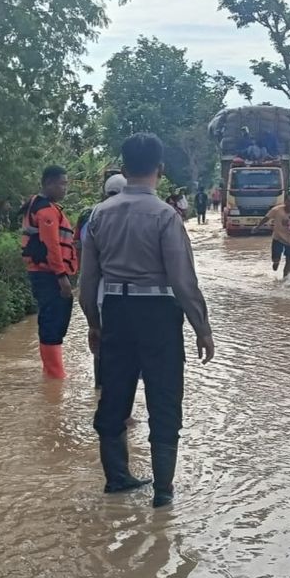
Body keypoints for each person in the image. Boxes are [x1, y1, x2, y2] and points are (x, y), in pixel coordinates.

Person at [80, 133, 215, 507]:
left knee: (114, 397)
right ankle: (163, 491)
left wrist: (94, 322)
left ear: (123, 168)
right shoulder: (165, 217)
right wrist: (202, 327)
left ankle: (117, 479)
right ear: (160, 170)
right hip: (159, 317)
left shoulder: (97, 216)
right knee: (164, 398)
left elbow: (87, 281)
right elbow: (183, 281)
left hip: (117, 316)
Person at [21, 165, 79, 379]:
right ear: (48, 184)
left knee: (51, 319)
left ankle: (52, 370)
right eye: (61, 184)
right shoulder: (46, 211)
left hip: (42, 273)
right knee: (53, 321)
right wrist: (62, 277)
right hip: (49, 275)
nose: (65, 188)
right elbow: (52, 246)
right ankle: (55, 375)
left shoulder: (37, 205)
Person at [76, 172, 128, 392]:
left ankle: (101, 389)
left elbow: (82, 255)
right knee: (124, 350)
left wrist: (90, 319)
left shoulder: (92, 216)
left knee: (101, 341)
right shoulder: (133, 215)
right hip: (129, 296)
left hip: (100, 292)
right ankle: (121, 403)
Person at [256, 190, 290, 278]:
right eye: (289, 201)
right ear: (285, 201)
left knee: (289, 260)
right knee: (275, 260)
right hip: (278, 238)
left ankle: (285, 279)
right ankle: (276, 262)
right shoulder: (277, 210)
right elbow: (266, 218)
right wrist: (258, 227)